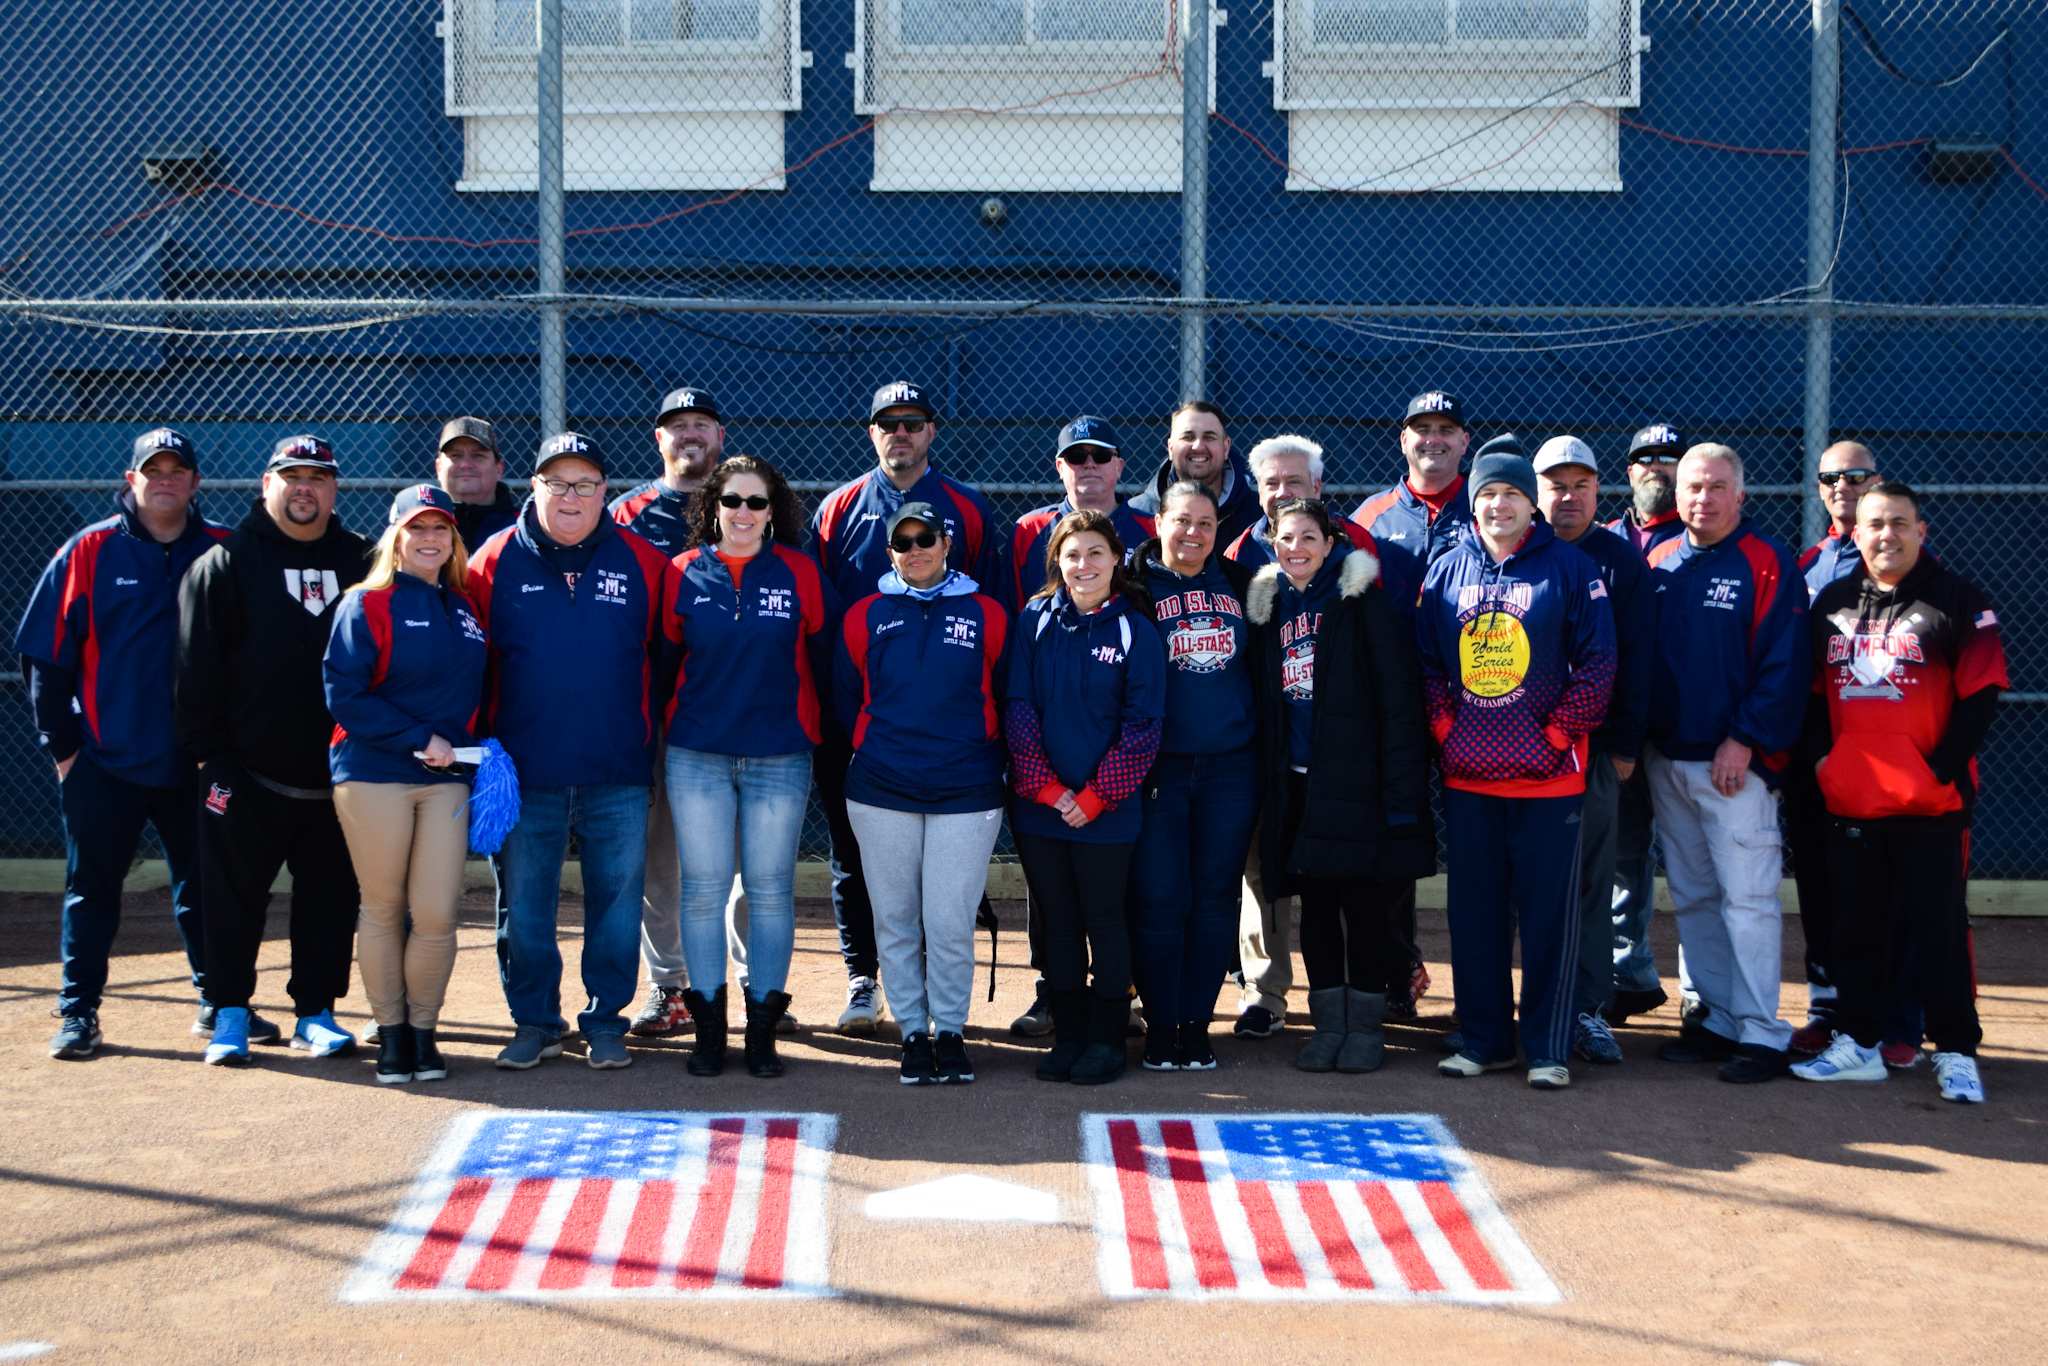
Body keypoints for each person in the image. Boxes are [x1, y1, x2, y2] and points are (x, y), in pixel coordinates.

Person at [19, 428, 234, 1059]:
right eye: (153, 470)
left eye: (177, 470)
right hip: (105, 761)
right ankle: (79, 1011)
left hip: (196, 764)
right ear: (131, 480)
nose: (165, 480)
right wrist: (64, 750)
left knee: (209, 887)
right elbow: (45, 660)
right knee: (93, 889)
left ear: (196, 483)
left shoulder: (224, 549)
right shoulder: (88, 551)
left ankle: (217, 1002)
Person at [467, 433, 673, 1072]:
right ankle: (535, 1022)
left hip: (617, 769)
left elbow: (665, 662)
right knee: (525, 909)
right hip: (526, 775)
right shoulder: (491, 561)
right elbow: (469, 664)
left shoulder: (644, 561)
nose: (571, 496)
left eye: (585, 484)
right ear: (534, 487)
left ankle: (605, 1020)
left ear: (605, 492)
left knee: (616, 906)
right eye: (557, 483)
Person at [1792, 482, 2003, 1104]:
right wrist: (1826, 763)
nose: (1887, 534)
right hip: (1850, 800)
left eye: (1899, 523)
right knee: (1854, 927)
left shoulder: (1960, 602)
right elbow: (1807, 699)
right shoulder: (1830, 602)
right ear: (1854, 533)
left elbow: (1982, 699)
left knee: (1936, 930)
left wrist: (1935, 771)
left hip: (1931, 806)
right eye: (1874, 524)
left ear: (1921, 530)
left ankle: (1958, 1051)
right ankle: (1859, 1042)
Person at [809, 381, 1009, 1035]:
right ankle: (864, 977)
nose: (901, 432)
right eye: (888, 422)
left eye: (913, 421)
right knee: (853, 856)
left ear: (931, 430)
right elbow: (820, 621)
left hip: (953, 737)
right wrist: (849, 724)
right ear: (872, 432)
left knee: (942, 876)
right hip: (862, 724)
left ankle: (931, 997)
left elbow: (993, 620)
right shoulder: (839, 509)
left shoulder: (969, 509)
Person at [1417, 452, 1616, 1090]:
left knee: (1548, 919)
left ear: (1531, 503)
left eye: (1510, 494)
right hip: (1470, 780)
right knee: (1474, 916)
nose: (1498, 505)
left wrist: (1557, 734)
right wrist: (1448, 731)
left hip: (1549, 780)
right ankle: (1484, 1040)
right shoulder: (1446, 570)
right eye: (1487, 495)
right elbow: (1426, 663)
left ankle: (1548, 1048)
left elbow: (1598, 662)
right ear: (1470, 504)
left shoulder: (1571, 567)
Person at [176, 434, 374, 1065]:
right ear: (267, 485)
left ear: (335, 489)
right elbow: (193, 669)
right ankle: (229, 1010)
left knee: (330, 897)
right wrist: (211, 758)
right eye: (292, 477)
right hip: (245, 772)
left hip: (338, 773)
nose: (305, 488)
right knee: (231, 897)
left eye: (318, 477)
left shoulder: (364, 561)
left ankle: (315, 1013)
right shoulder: (225, 563)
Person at [608, 387, 790, 1039]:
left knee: (754, 862)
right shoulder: (624, 513)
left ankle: (755, 984)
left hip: (749, 717)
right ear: (658, 439)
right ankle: (673, 987)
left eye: (702, 425)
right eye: (676, 425)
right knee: (666, 862)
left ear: (721, 436)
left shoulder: (752, 507)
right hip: (659, 716)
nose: (689, 435)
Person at [1247, 500, 1436, 1074]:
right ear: (1273, 545)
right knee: (1318, 912)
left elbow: (1402, 708)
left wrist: (1401, 799)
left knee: (1365, 908)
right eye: (1286, 538)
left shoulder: (1363, 605)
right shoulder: (1267, 609)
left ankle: (1366, 1027)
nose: (1297, 548)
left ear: (1331, 544)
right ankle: (1328, 1024)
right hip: (1296, 788)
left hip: (1357, 786)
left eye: (1309, 537)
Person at [657, 456, 831, 1079]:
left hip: (779, 756)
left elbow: (824, 659)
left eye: (758, 503)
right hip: (697, 755)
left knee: (769, 891)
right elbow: (662, 666)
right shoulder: (681, 573)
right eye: (732, 500)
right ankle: (709, 1033)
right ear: (713, 506)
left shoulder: (801, 573)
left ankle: (762, 1032)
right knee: (702, 891)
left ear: (772, 511)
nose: (744, 514)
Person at [1643, 444, 1811, 1084]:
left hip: (1732, 764)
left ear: (1740, 495)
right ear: (1675, 492)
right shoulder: (1661, 559)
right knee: (1694, 899)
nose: (1703, 498)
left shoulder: (1766, 561)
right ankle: (1716, 1020)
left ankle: (1762, 1032)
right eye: (1692, 487)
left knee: (1747, 901)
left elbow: (1784, 665)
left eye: (1716, 487)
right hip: (1670, 760)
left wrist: (1744, 738)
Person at [837, 502, 1010, 1085]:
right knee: (896, 918)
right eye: (902, 541)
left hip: (967, 789)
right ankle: (913, 1031)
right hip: (883, 788)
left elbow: (1008, 695)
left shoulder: (989, 613)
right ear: (890, 552)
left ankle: (951, 1030)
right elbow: (846, 700)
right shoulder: (865, 614)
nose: (915, 549)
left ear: (946, 542)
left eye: (925, 538)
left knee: (949, 917)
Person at [324, 485, 488, 1084]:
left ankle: (424, 1031)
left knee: (438, 911)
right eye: (416, 528)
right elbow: (345, 696)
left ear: (453, 539)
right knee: (384, 905)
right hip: (375, 772)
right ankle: (390, 1035)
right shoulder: (364, 604)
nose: (430, 539)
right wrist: (419, 737)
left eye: (440, 529)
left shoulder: (465, 606)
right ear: (395, 537)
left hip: (447, 779)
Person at [1222, 435, 1381, 1041]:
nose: (1283, 493)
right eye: (1271, 483)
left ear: (1317, 487)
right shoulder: (1240, 555)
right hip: (1271, 747)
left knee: (1346, 879)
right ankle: (1265, 991)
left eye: (1295, 482)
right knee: (1265, 871)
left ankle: (1359, 993)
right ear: (1258, 491)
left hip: (1340, 755)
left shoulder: (1354, 555)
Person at [1005, 510, 1165, 1085]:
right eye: (1072, 554)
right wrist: (1048, 790)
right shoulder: (1034, 619)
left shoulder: (1136, 630)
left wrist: (1095, 797)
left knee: (1105, 920)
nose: (1084, 565)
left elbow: (1143, 725)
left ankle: (1106, 1041)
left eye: (1096, 552)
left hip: (1107, 813)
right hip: (1040, 810)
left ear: (1117, 559)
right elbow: (1018, 709)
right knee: (1062, 923)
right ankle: (1070, 1036)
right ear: (1058, 562)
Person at [1787, 440, 1919, 1057]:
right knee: (1820, 882)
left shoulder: (1911, 564)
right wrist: (1813, 754)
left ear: (1877, 480)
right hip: (1820, 755)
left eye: (1856, 475)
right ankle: (1828, 1006)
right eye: (1831, 477)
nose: (1843, 485)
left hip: (1892, 762)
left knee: (1894, 890)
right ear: (1819, 489)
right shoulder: (1806, 563)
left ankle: (1898, 1020)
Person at [1129, 481, 1261, 1071]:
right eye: (1182, 521)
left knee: (1214, 901)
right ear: (1158, 521)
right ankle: (1160, 1024)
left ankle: (1196, 1024)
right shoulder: (1131, 588)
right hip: (1158, 769)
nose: (1193, 533)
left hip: (1231, 767)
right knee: (1159, 900)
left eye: (1206, 524)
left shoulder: (1238, 584)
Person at [1533, 436, 1654, 1067]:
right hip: (1520, 756)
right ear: (1536, 491)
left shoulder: (1619, 558)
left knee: (1590, 882)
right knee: (1518, 887)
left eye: (1580, 485)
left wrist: (1626, 743)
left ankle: (1586, 1009)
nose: (1568, 496)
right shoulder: (1518, 553)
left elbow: (1638, 658)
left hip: (1597, 753)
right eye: (1556, 484)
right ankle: (1506, 1009)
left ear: (1598, 491)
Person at [1605, 422, 1688, 1023]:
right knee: (1623, 855)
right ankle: (1627, 973)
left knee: (1692, 867)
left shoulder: (1705, 540)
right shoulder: (1605, 539)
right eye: (1645, 457)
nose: (1656, 466)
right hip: (1620, 728)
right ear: (1628, 470)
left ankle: (1709, 999)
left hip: (1685, 732)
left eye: (1669, 457)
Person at [1011, 416, 1155, 604]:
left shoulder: (1153, 529)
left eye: (1101, 455)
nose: (1089, 464)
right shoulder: (1030, 529)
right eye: (1076, 457)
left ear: (1119, 467)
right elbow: (1011, 608)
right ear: (1060, 468)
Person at [1126, 400, 1260, 548]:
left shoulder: (1257, 516)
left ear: (1226, 447)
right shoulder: (1136, 514)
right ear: (1170, 448)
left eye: (1209, 437)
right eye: (1188, 437)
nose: (1198, 446)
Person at [436, 418, 519, 551]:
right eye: (455, 456)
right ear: (439, 468)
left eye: (478, 455)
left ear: (499, 469)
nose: (465, 465)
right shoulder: (419, 529)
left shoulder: (523, 529)